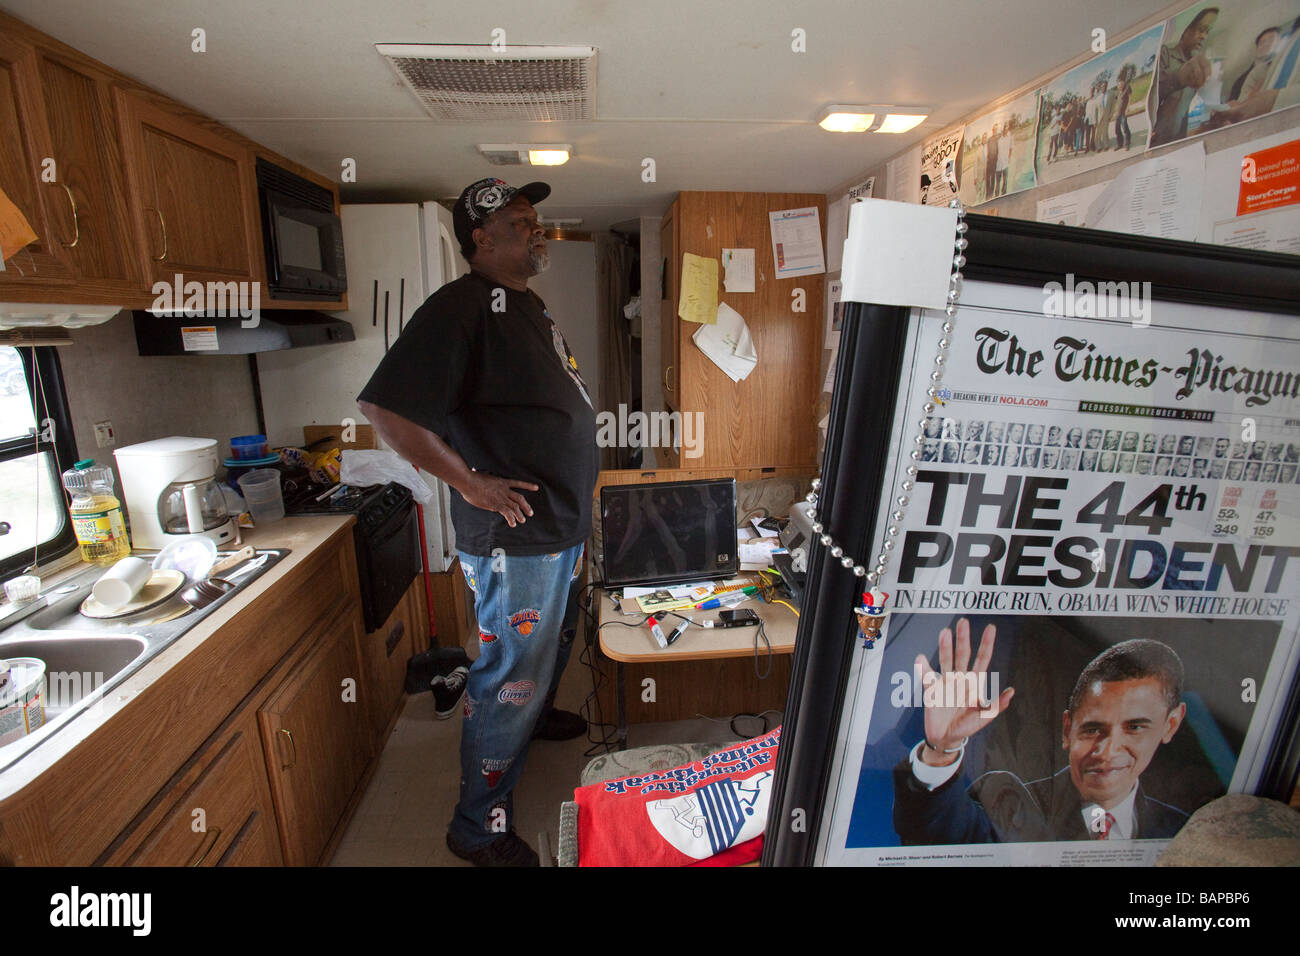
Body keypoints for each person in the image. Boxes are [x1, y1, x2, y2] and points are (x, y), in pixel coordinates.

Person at [357, 177, 598, 867]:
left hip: (558, 527)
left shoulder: (526, 306)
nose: (537, 229)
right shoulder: (460, 306)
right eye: (521, 222)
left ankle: (534, 715)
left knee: (548, 650)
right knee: (506, 677)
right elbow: (388, 411)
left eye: (536, 219)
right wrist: (472, 484)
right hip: (516, 537)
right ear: (481, 240)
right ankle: (478, 826)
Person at [893, 622, 1189, 844]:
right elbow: (936, 833)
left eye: (1134, 727)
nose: (1108, 750)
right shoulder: (1010, 807)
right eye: (1092, 729)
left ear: (1170, 725)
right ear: (1067, 729)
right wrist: (942, 750)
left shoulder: (1183, 831)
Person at [1151, 7, 1220, 145]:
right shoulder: (1164, 54)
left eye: (1207, 32)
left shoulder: (1202, 69)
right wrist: (1179, 78)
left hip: (1182, 143)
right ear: (1186, 31)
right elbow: (1152, 94)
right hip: (1156, 142)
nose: (1204, 36)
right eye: (1201, 29)